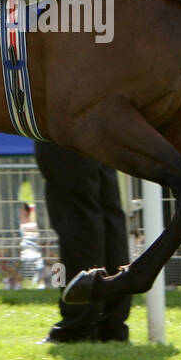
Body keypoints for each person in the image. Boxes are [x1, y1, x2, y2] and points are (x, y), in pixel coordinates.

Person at [33, 141, 130, 342]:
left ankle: (79, 323)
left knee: (76, 217)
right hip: (103, 125)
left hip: (67, 125)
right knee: (107, 213)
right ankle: (110, 323)